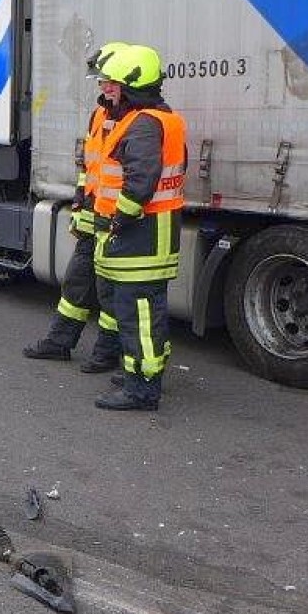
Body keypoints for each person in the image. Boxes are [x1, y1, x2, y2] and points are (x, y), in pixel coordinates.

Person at [90, 45, 188, 411]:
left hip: (141, 236)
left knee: (140, 316)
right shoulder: (159, 119)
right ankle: (141, 374)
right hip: (150, 233)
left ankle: (142, 390)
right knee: (143, 313)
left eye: (113, 83)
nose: (107, 89)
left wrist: (119, 220)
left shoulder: (144, 123)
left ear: (132, 86)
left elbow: (140, 183)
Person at [22, 41, 130, 371]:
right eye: (102, 81)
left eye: (111, 81)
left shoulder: (135, 121)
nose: (104, 87)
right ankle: (60, 342)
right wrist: (80, 203)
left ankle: (106, 351)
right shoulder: (99, 114)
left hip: (117, 221)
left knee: (110, 291)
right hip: (93, 215)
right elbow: (91, 168)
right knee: (76, 281)